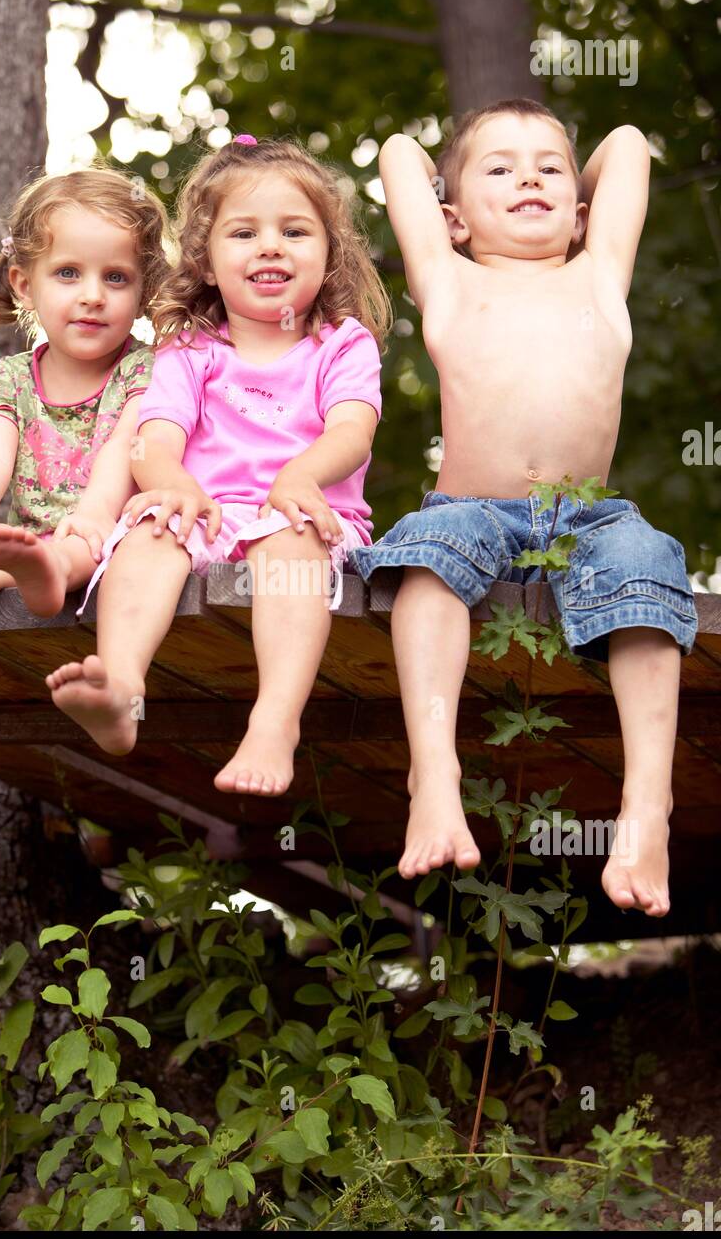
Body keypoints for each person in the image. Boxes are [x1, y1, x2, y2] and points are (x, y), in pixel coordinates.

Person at [350, 99, 697, 917]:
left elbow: (627, 144)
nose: (528, 179)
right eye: (499, 170)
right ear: (453, 219)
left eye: (548, 168)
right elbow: (398, 150)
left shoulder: (598, 273)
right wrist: (456, 197)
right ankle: (434, 774)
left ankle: (647, 806)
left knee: (648, 567)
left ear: (581, 213)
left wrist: (574, 201)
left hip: (591, 519)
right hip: (472, 509)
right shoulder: (448, 278)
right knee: (425, 558)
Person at [45, 135, 391, 794]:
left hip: (306, 513)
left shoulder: (341, 344)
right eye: (244, 233)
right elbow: (153, 440)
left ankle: (274, 723)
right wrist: (173, 486)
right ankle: (121, 686)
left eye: (295, 231)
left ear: (330, 253)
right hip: (207, 511)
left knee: (291, 540)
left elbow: (353, 430)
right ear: (205, 261)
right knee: (150, 529)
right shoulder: (190, 348)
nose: (271, 247)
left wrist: (299, 477)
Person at [0, 165, 168, 623]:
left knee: (83, 546)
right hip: (24, 548)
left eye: (116, 277)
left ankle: (50, 570)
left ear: (144, 293)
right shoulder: (8, 377)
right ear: (24, 286)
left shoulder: (147, 368)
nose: (93, 295)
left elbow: (127, 445)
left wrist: (93, 515)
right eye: (68, 273)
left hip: (112, 540)